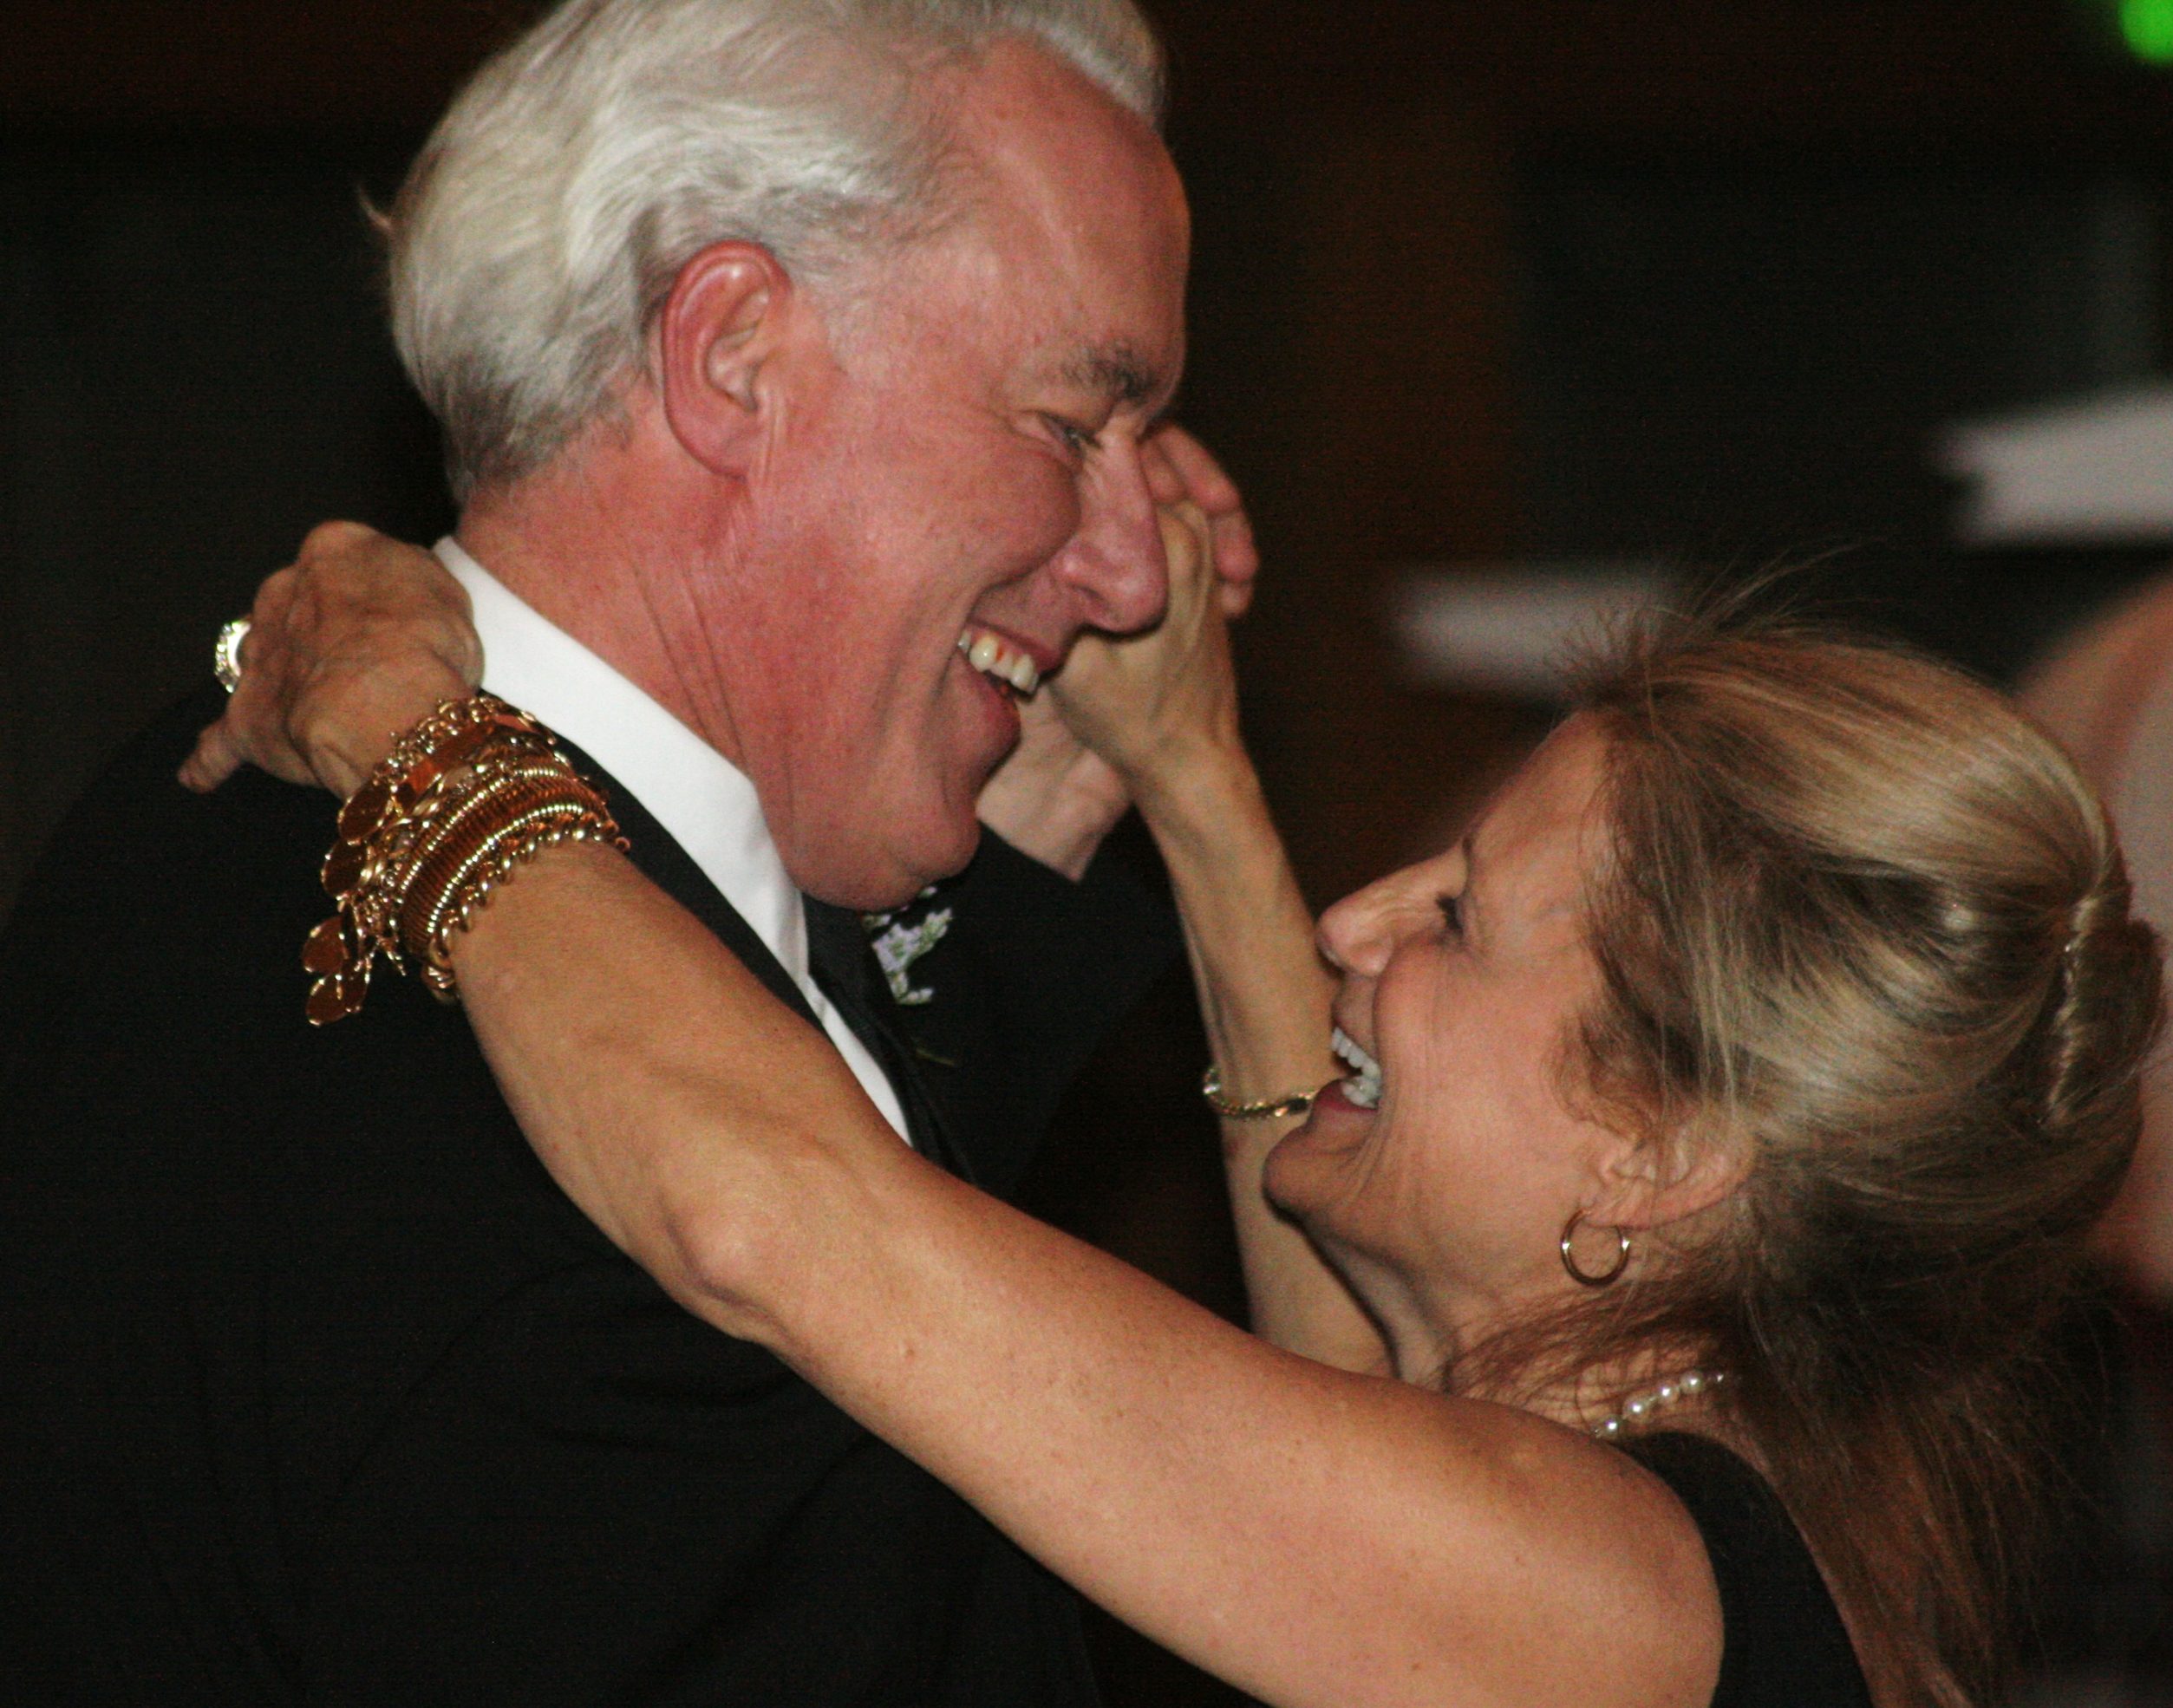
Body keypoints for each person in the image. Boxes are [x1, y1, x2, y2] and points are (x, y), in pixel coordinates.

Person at [193, 518, 2165, 1708]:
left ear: (1656, 1148)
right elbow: (1340, 1411)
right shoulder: (1653, 1527)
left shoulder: (1588, 1585)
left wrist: (414, 740)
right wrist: (1190, 778)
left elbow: (773, 1217)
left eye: (1457, 918)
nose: (1354, 923)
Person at [0, 1, 1258, 1701]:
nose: (1133, 569)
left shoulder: (198, 793)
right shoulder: (579, 1161)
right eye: (1068, 422)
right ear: (733, 353)